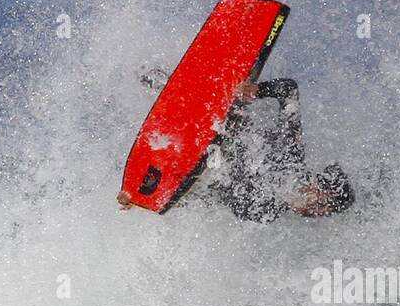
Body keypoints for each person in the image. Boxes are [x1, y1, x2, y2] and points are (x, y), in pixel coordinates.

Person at [118, 71, 354, 220]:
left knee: (204, 170)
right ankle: (140, 75)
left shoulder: (264, 212)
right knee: (229, 118)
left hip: (199, 160)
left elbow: (208, 198)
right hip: (224, 121)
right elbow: (289, 90)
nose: (314, 211)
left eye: (321, 212)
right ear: (317, 183)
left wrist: (144, 200)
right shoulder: (292, 155)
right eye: (321, 203)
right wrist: (259, 91)